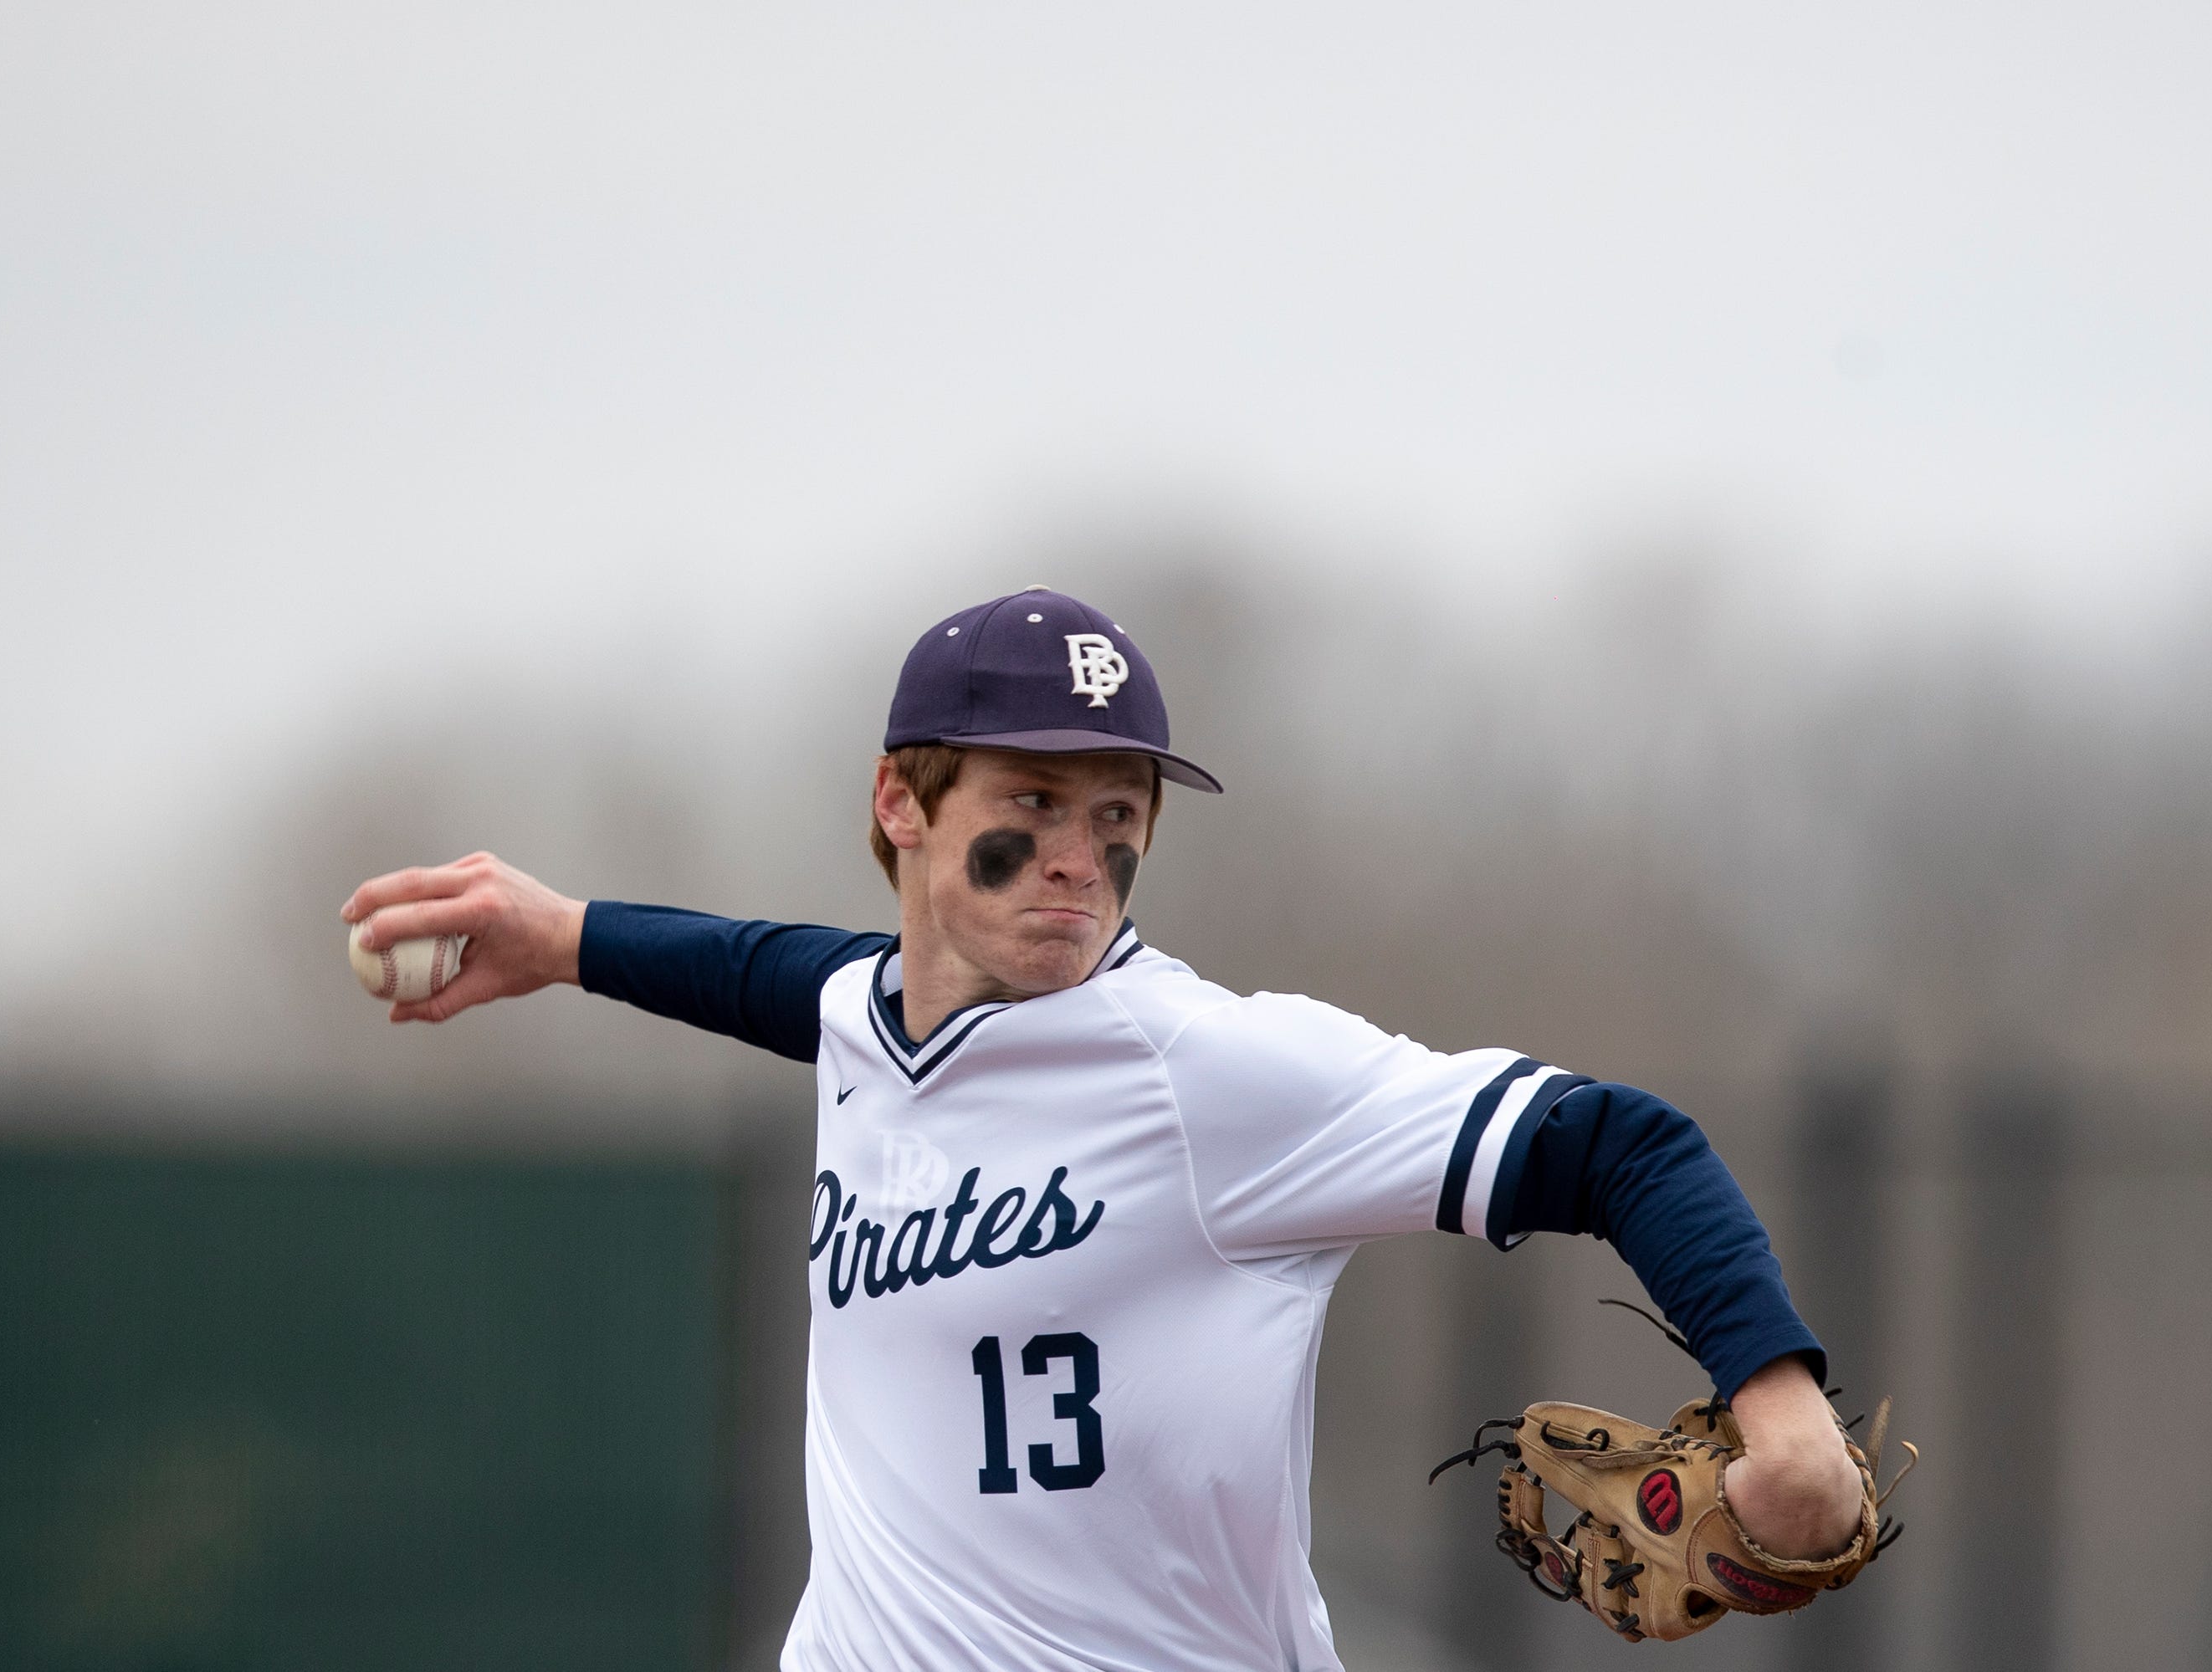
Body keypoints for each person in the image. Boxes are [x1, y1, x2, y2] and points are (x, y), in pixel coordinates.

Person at [342, 585, 1862, 1671]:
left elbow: (1624, 1146)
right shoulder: (866, 1022)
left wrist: (1782, 1411)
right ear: (901, 801)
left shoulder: (1206, 1071)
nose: (1081, 854)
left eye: (1118, 811)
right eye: (1035, 799)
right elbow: (770, 974)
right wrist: (564, 935)